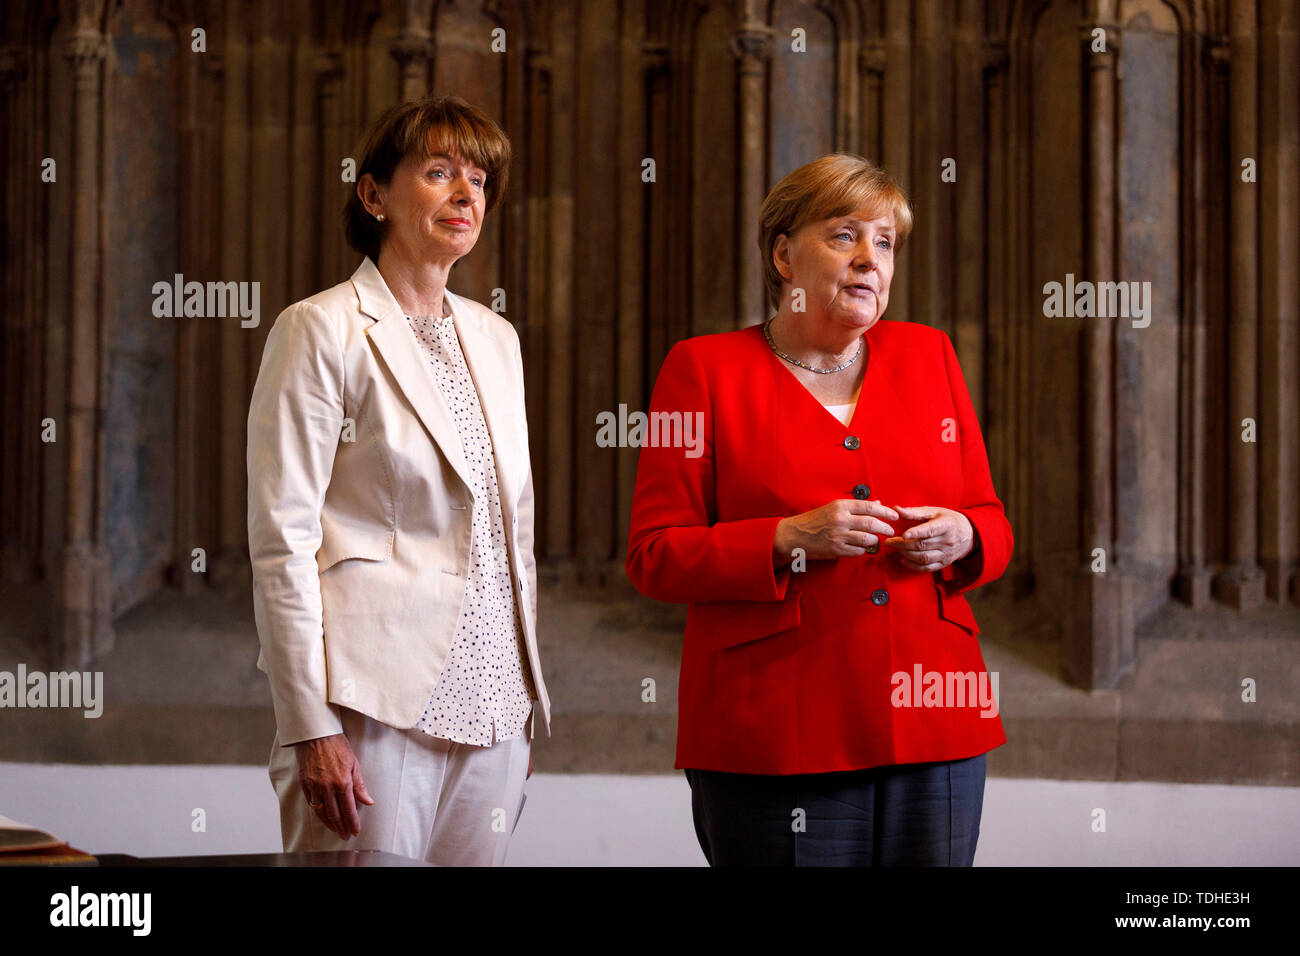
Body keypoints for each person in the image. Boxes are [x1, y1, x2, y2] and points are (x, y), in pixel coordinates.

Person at [626, 153, 1013, 866]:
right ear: (782, 253)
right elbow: (653, 554)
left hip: (937, 721)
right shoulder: (703, 369)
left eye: (886, 241)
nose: (870, 258)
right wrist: (784, 537)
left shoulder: (931, 356)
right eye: (844, 236)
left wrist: (964, 534)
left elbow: (989, 516)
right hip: (776, 729)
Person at [247, 94, 548, 866]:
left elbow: (510, 532)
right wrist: (307, 723)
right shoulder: (319, 328)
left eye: (479, 180)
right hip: (369, 709)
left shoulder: (496, 338)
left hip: (493, 715)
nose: (465, 194)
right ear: (374, 194)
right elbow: (282, 539)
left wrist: (516, 705)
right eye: (439, 171)